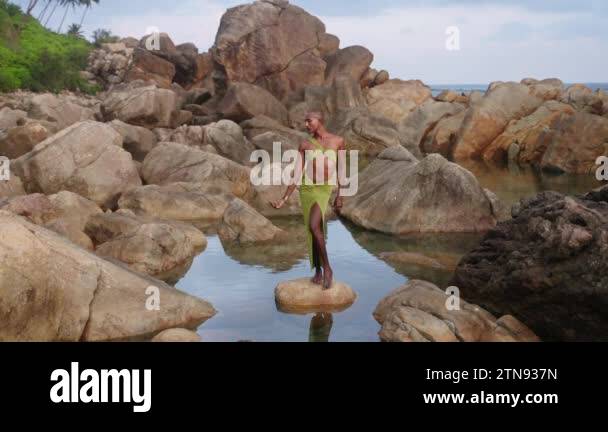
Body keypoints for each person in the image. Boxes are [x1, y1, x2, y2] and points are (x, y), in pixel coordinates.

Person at [270, 112, 345, 289]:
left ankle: (328, 269)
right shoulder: (305, 145)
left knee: (314, 226)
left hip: (324, 189)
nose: (306, 124)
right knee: (312, 229)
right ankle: (318, 271)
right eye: (305, 121)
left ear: (320, 120)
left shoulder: (338, 141)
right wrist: (284, 199)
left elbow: (341, 169)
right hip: (307, 188)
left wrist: (340, 194)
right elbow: (297, 173)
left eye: (309, 120)